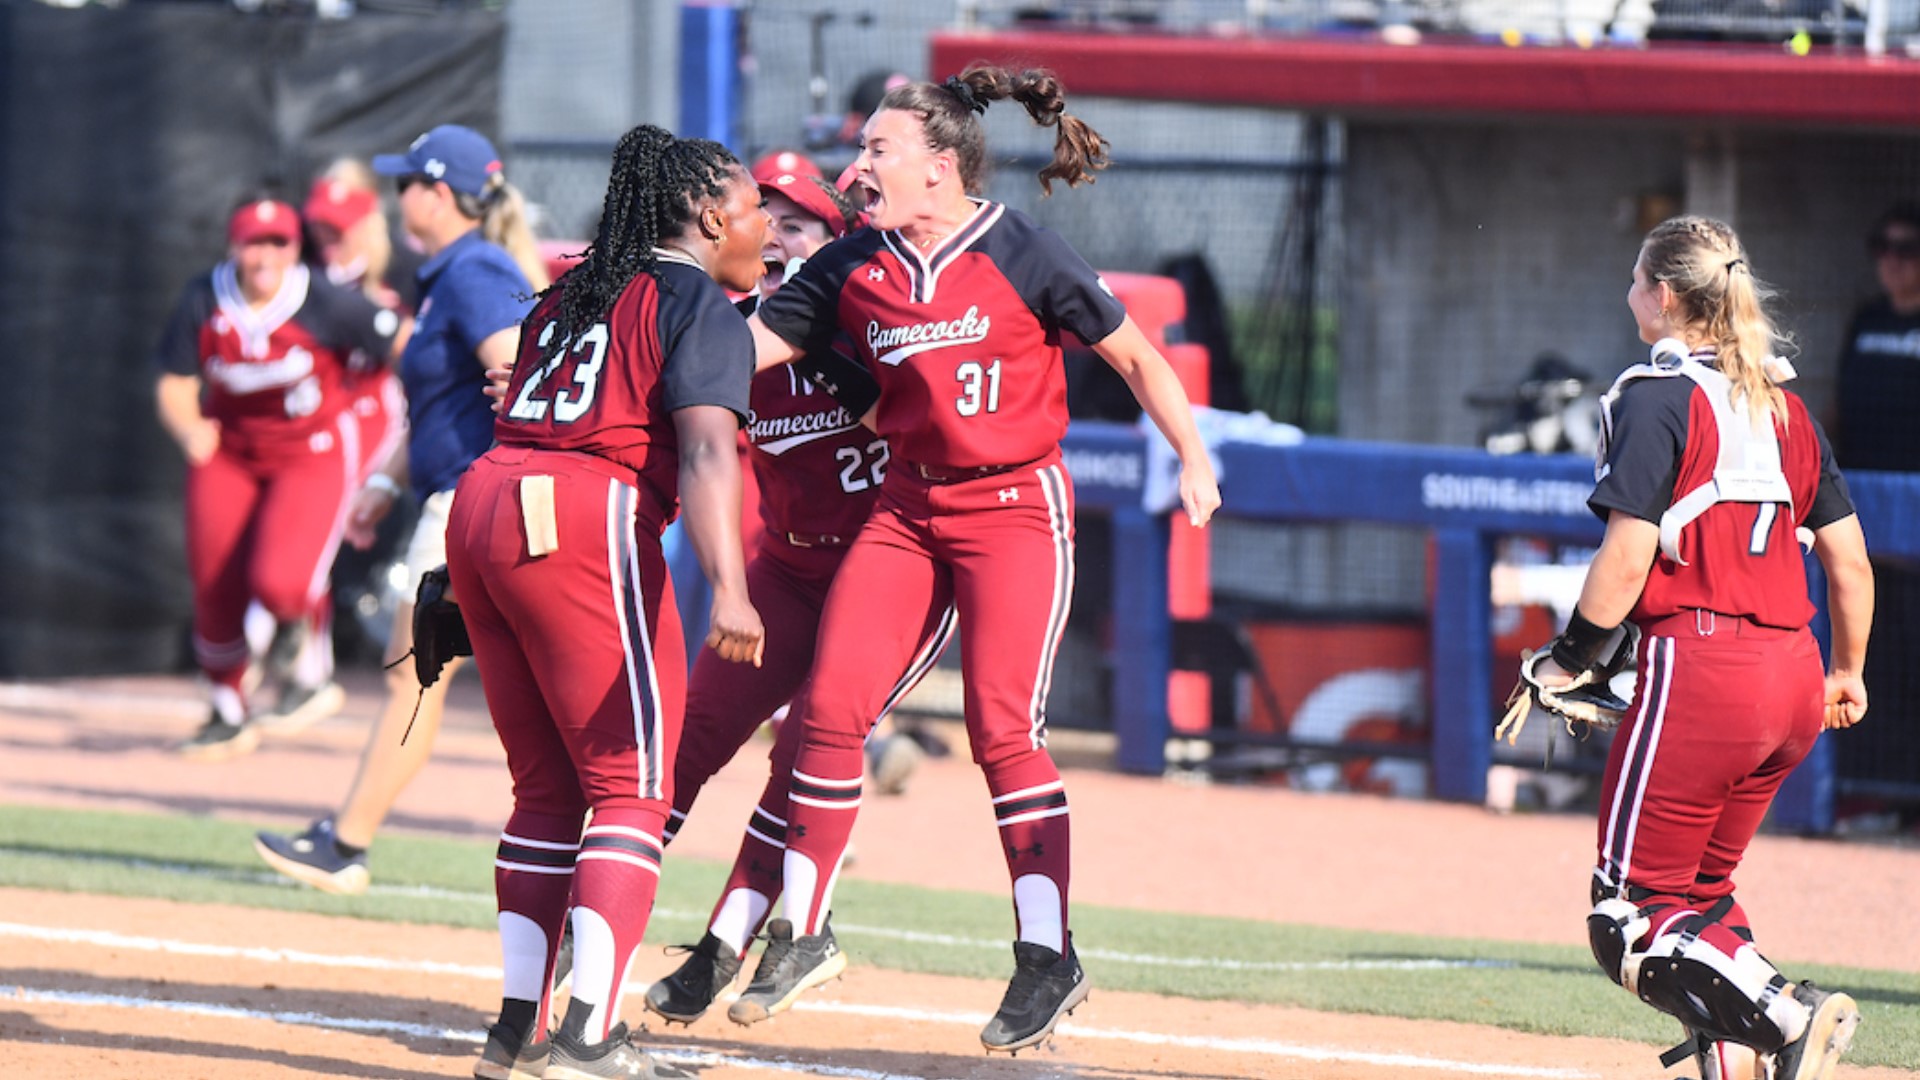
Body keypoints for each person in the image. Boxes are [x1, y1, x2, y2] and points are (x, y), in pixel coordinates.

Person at [727, 65, 1220, 1053]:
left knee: (1003, 729)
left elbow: (1135, 356)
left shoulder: (1023, 251)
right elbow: (737, 353)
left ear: (939, 169)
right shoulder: (847, 267)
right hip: (908, 508)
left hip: (1013, 509)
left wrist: (1194, 457)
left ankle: (1048, 954)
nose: (858, 167)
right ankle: (804, 930)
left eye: (878, 151)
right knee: (827, 710)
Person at [447, 124, 768, 1080]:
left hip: (488, 499)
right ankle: (588, 1035)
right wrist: (734, 589)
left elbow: (515, 414)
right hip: (583, 512)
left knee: (545, 791)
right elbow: (709, 450)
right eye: (753, 211)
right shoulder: (695, 298)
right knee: (631, 788)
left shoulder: (578, 285)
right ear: (710, 218)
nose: (765, 229)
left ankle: (516, 1032)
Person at [1543, 216, 1872, 1080]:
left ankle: (1785, 1014)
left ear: (1663, 296)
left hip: (1702, 671)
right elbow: (1850, 562)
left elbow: (1625, 558)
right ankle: (1743, 1064)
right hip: (1795, 675)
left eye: (1634, 281)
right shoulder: (1785, 403)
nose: (1628, 296)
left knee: (1628, 918)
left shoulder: (1654, 396)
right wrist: (1847, 671)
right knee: (1697, 898)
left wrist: (1571, 655)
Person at [639, 160, 957, 1026]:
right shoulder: (731, 333)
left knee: (808, 747)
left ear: (838, 240)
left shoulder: (875, 320)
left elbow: (930, 408)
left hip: (889, 572)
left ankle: (722, 943)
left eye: (799, 221)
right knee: (692, 736)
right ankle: (598, 901)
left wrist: (830, 349)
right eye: (764, 216)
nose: (777, 233)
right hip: (788, 567)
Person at [254, 125, 543, 896]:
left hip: (471, 505)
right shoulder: (453, 272)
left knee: (413, 681)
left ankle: (348, 844)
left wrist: (500, 489)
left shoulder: (475, 269)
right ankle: (347, 837)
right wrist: (387, 477)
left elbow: (523, 376)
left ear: (439, 194)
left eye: (408, 181)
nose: (398, 194)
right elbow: (445, 403)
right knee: (433, 680)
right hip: (462, 495)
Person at [154, 196, 395, 760]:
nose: (263, 255)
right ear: (232, 246)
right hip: (230, 449)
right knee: (215, 584)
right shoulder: (206, 295)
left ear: (293, 248)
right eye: (252, 242)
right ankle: (227, 709)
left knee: (283, 580)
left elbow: (399, 342)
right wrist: (190, 429)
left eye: (276, 243)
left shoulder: (321, 297)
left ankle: (301, 645)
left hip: (308, 450)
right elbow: (174, 381)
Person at [1831, 203, 1920, 827]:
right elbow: (1841, 407)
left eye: (1907, 248)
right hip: (1869, 530)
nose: (1893, 260)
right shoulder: (1865, 319)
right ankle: (1877, 794)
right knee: (1874, 660)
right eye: (1883, 246)